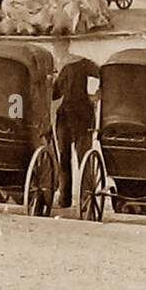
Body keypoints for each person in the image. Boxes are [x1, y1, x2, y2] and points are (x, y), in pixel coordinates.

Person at [52, 38, 100, 209]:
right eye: (55, 45)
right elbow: (54, 94)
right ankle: (65, 198)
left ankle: (87, 198)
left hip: (82, 115)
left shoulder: (81, 63)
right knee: (63, 156)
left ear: (67, 45)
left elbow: (104, 74)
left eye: (60, 44)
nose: (57, 47)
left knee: (83, 156)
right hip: (63, 116)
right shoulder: (53, 64)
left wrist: (96, 95)